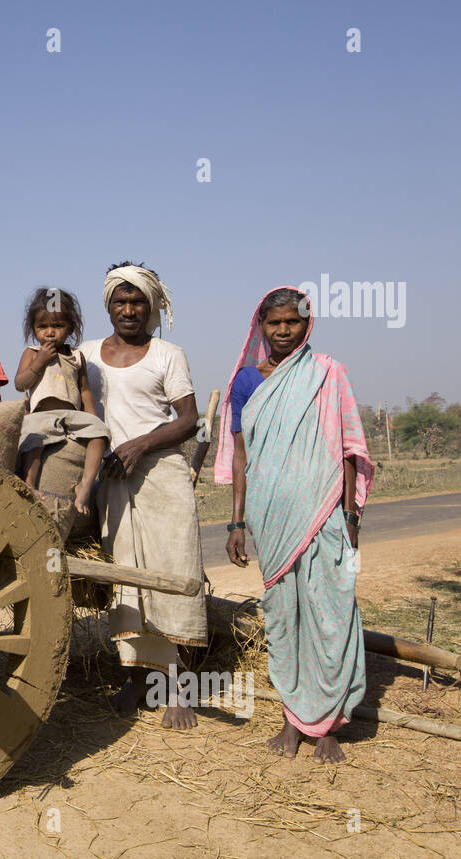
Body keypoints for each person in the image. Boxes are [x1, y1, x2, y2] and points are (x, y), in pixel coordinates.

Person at [214, 287, 374, 764]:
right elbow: (242, 457)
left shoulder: (328, 373)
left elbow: (347, 449)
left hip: (325, 513)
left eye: (293, 322)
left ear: (308, 325)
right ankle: (292, 718)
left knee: (332, 615)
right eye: (274, 323)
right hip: (272, 517)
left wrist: (350, 515)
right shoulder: (245, 382)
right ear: (260, 327)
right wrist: (237, 522)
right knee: (285, 616)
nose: (284, 331)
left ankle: (330, 723)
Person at [81, 262, 207, 729]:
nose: (129, 310)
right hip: (110, 483)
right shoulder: (88, 354)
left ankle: (179, 689)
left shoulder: (168, 354)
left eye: (137, 302)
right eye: (120, 301)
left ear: (152, 307)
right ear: (108, 306)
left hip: (161, 478)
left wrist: (138, 444)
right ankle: (135, 681)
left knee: (171, 571)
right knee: (125, 579)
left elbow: (188, 419)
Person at [13, 287, 110, 515]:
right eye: (42, 326)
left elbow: (84, 389)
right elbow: (20, 384)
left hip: (73, 416)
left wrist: (92, 416)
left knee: (100, 435)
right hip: (41, 416)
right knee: (33, 445)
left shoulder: (76, 356)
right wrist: (39, 363)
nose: (49, 333)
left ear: (71, 328)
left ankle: (85, 485)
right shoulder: (32, 352)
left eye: (57, 326)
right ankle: (29, 485)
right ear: (33, 329)